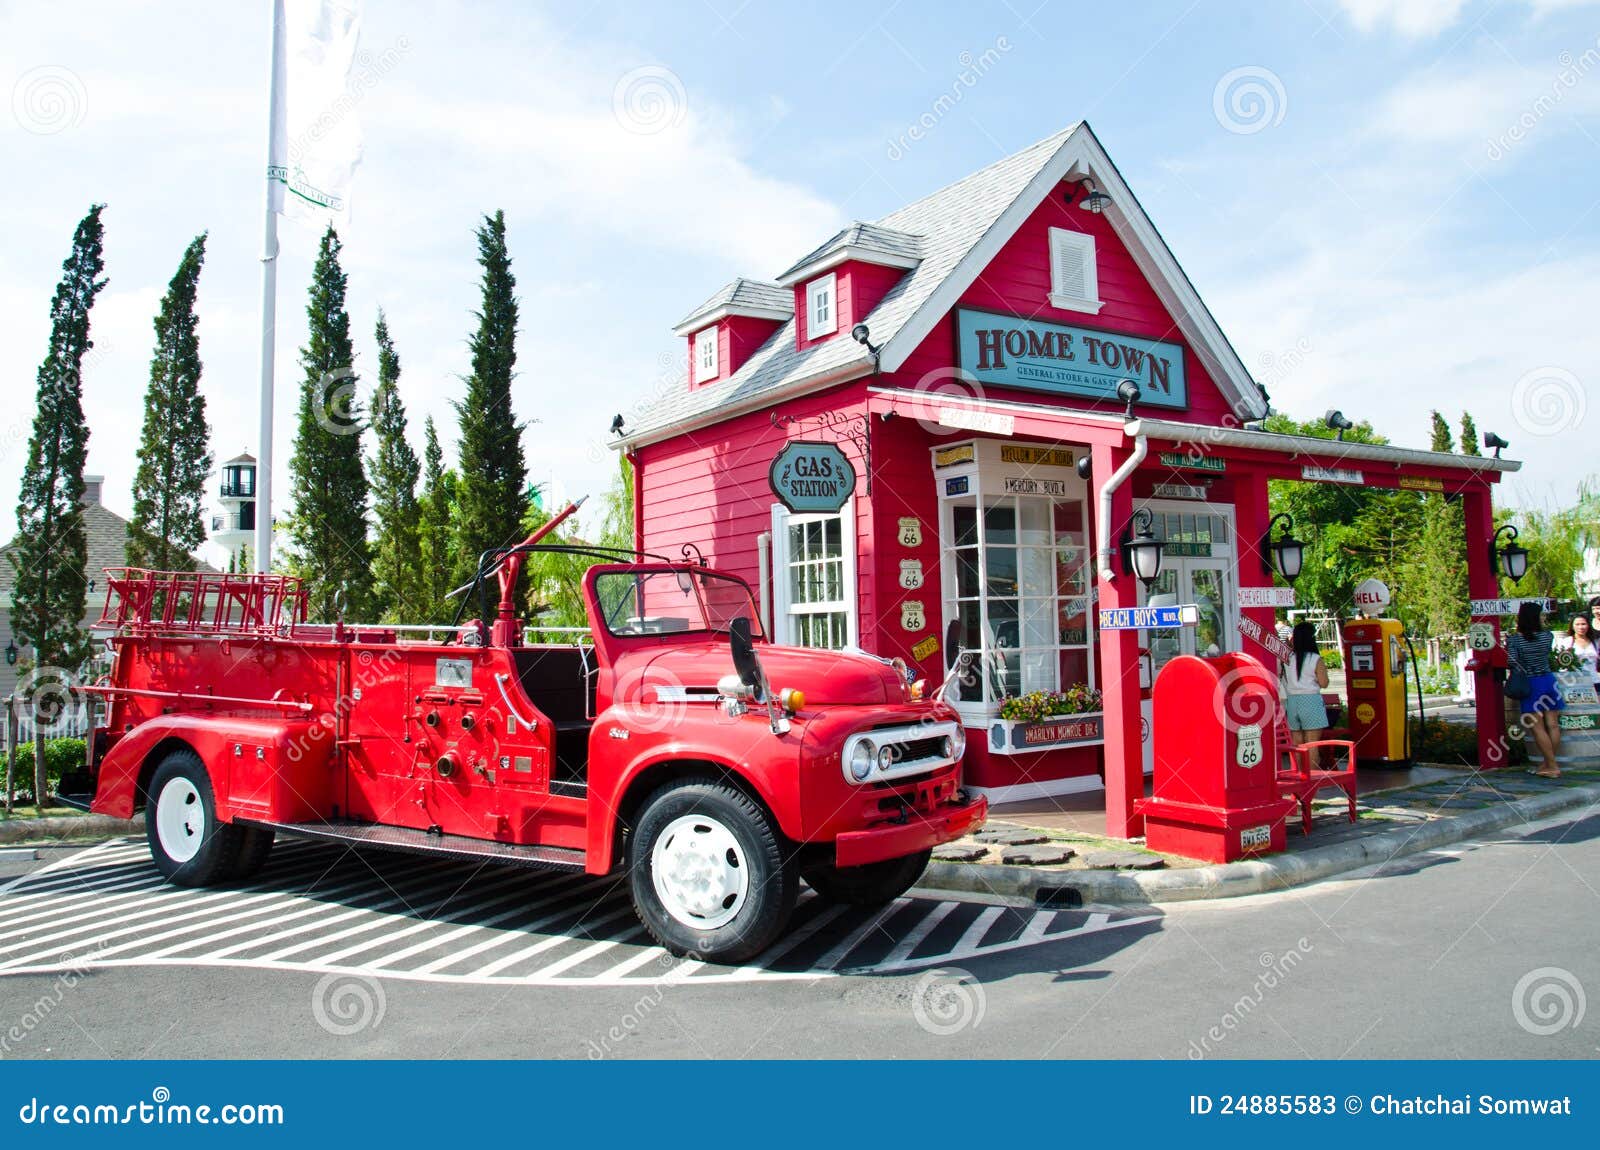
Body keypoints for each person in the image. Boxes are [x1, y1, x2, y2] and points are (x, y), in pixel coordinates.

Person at [1507, 601, 1564, 778]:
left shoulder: (1515, 640)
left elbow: (1512, 662)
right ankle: (1547, 763)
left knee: (1537, 728)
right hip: (1549, 680)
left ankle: (1552, 767)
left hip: (1531, 684)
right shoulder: (1547, 636)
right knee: (1553, 725)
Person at [1283, 621, 1331, 769]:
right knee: (1312, 744)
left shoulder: (1288, 658)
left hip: (1292, 702)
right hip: (1311, 701)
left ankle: (1300, 776)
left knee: (1297, 743)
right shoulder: (1315, 659)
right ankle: (1312, 779)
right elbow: (1324, 683)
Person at [1557, 612, 1600, 700]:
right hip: (1574, 681)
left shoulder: (1596, 641)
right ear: (1572, 626)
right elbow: (1560, 664)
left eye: (1583, 624)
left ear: (1588, 625)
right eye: (1577, 624)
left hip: (1594, 680)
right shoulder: (1566, 642)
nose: (1581, 627)